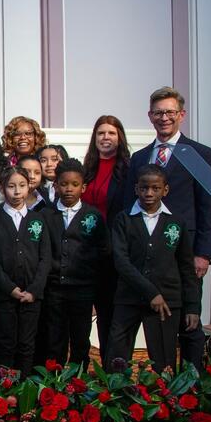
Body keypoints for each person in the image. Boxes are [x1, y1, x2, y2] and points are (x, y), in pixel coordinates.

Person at [123, 87, 211, 372]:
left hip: (184, 254)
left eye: (170, 112)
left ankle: (190, 383)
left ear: (181, 115)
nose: (164, 118)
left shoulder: (200, 154)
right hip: (146, 255)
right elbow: (129, 205)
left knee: (189, 322)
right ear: (150, 116)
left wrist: (204, 253)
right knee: (152, 323)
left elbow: (209, 206)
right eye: (158, 113)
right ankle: (158, 383)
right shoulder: (140, 157)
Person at [108, 164, 199, 372]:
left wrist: (193, 307)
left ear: (165, 190)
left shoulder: (176, 222)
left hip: (166, 301)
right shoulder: (124, 219)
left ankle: (163, 393)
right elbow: (121, 262)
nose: (149, 193)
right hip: (129, 298)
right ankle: (117, 391)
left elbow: (186, 267)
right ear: (136, 189)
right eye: (144, 188)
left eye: (155, 188)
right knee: (117, 356)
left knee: (163, 359)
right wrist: (151, 293)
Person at [0, 167, 51, 376]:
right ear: (2, 189)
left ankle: (24, 387)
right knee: (4, 343)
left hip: (31, 296)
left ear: (29, 187)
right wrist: (9, 288)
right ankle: (2, 390)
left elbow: (45, 258)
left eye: (22, 185)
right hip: (4, 296)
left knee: (27, 344)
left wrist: (34, 290)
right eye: (11, 186)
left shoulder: (38, 220)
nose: (17, 191)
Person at [40, 159, 109, 366]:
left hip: (83, 289)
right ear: (56, 186)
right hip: (54, 289)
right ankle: (54, 379)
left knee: (80, 338)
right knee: (54, 339)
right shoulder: (45, 214)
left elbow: (103, 253)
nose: (69, 189)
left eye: (75, 184)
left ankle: (78, 379)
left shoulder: (93, 216)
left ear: (83, 187)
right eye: (64, 184)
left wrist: (96, 290)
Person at [81, 115, 131, 363]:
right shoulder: (86, 169)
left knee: (109, 313)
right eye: (101, 133)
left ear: (119, 137)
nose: (105, 137)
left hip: (112, 251)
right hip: (84, 251)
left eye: (111, 133)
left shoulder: (128, 170)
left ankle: (112, 367)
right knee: (85, 314)